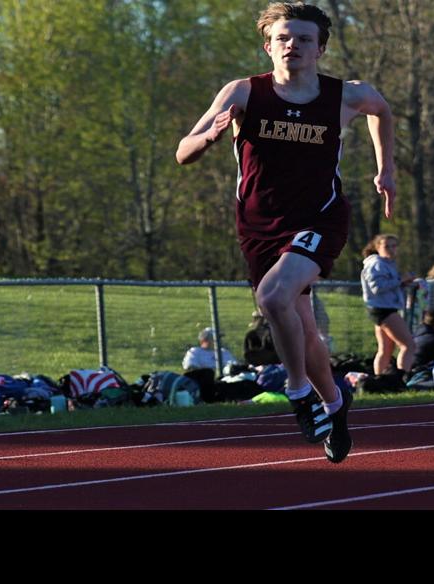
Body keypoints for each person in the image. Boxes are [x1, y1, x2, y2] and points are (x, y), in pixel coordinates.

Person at [175, 1, 396, 464]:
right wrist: (209, 138)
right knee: (303, 328)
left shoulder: (344, 96)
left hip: (320, 217)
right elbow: (183, 152)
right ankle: (335, 406)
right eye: (283, 38)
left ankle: (298, 393)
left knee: (273, 298)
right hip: (258, 227)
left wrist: (386, 170)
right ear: (268, 46)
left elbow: (381, 109)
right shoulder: (243, 93)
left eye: (303, 39)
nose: (292, 45)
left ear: (320, 49)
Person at [361, 234, 418, 377]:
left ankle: (379, 380)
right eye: (387, 246)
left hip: (383, 309)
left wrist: (404, 283)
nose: (391, 249)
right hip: (383, 310)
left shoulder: (387, 264)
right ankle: (402, 378)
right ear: (377, 247)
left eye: (394, 246)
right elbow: (377, 287)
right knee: (408, 345)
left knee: (386, 349)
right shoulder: (376, 263)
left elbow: (389, 285)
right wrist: (400, 280)